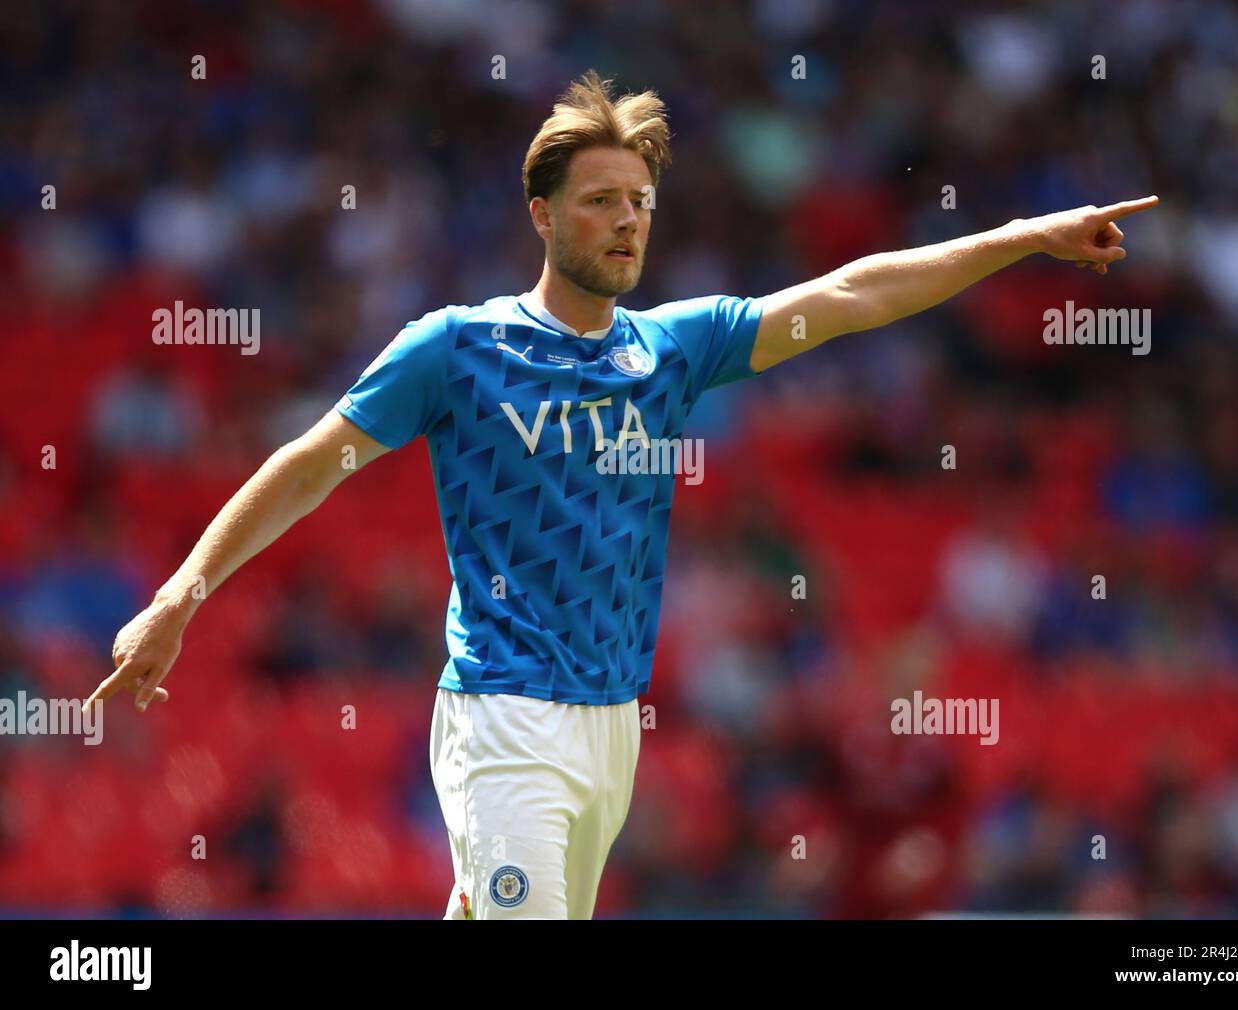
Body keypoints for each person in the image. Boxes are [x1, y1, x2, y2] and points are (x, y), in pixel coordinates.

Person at [85, 70, 1158, 919]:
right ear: (541, 213)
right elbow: (310, 461)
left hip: (612, 729)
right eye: (600, 202)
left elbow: (848, 294)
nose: (626, 221)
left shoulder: (673, 349)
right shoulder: (456, 349)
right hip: (504, 714)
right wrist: (186, 589)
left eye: (639, 203)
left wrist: (1020, 241)